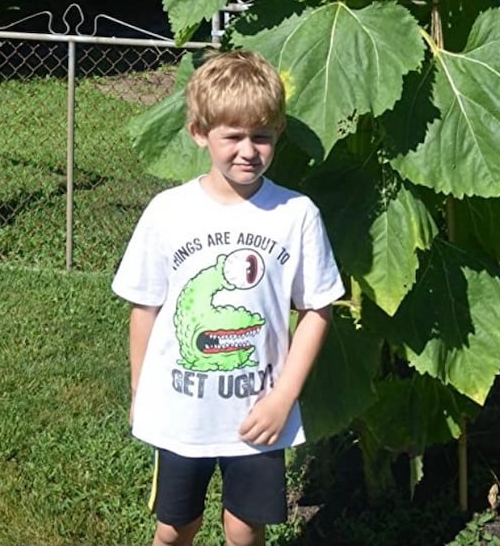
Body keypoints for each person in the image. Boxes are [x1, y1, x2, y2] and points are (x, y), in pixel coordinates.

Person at [112, 49, 343, 546]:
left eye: (261, 136)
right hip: (181, 411)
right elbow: (144, 309)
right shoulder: (167, 212)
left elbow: (318, 310)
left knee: (244, 527)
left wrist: (284, 398)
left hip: (257, 415)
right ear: (199, 133)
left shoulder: (296, 214)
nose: (248, 150)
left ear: (278, 132)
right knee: (175, 527)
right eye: (232, 136)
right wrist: (141, 395)